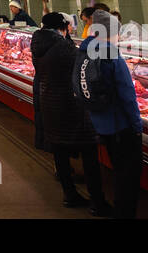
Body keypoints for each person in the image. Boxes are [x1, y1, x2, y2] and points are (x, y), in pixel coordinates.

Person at [34, 12, 110, 214]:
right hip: (71, 106)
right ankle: (97, 202)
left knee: (59, 150)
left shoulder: (39, 44)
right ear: (64, 27)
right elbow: (84, 73)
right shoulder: (64, 47)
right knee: (89, 153)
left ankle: (70, 194)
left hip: (50, 102)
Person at [78, 10, 143, 218]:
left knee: (117, 169)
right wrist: (137, 126)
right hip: (120, 125)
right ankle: (124, 213)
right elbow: (127, 96)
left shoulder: (85, 50)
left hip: (99, 120)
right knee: (127, 175)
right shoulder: (112, 55)